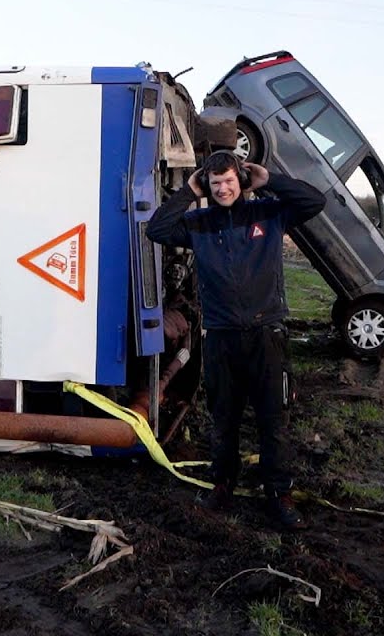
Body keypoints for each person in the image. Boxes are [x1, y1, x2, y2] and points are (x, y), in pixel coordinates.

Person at [147, 149, 325, 531]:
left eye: (229, 181)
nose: (223, 189)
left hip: (267, 336)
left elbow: (315, 201)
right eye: (215, 184)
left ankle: (278, 495)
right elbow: (157, 230)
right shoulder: (200, 222)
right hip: (222, 338)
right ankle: (222, 486)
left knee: (272, 420)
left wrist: (270, 179)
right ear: (207, 187)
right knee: (223, 419)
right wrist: (188, 192)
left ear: (241, 181)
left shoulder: (270, 213)